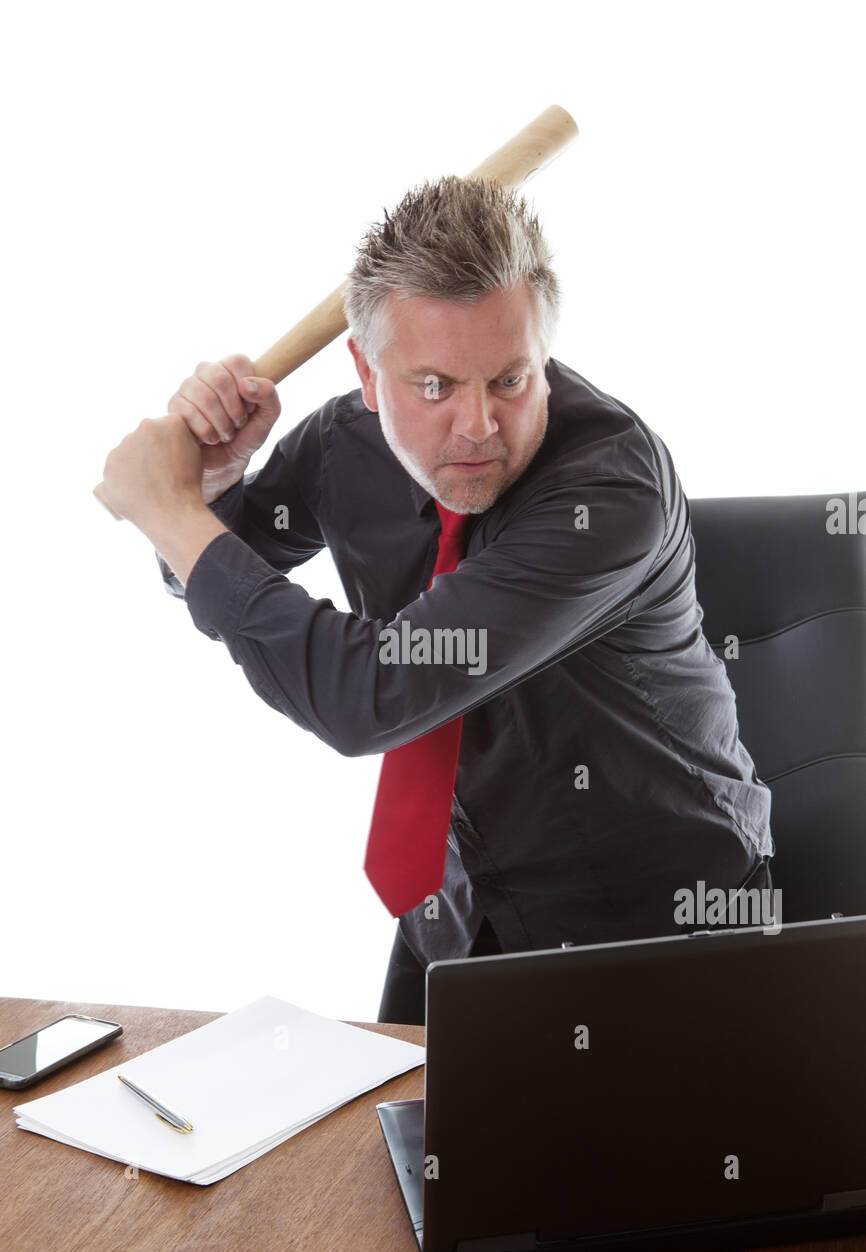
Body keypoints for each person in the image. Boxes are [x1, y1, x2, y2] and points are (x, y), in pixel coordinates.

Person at [98, 175, 775, 1025]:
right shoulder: (346, 442)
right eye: (434, 386)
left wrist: (170, 509)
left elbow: (368, 694)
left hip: (655, 929)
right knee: (370, 1150)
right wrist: (218, 484)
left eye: (510, 378)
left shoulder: (610, 494)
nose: (478, 426)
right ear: (366, 374)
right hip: (455, 907)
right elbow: (218, 561)